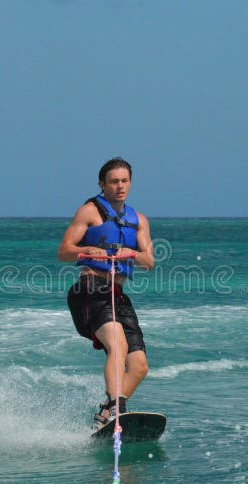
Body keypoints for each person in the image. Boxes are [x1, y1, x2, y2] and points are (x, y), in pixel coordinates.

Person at [58, 157, 155, 429]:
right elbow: (63, 251)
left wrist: (133, 253)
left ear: (131, 183)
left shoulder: (139, 221)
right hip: (90, 288)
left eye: (124, 181)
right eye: (113, 181)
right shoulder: (89, 212)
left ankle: (105, 412)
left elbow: (149, 262)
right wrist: (87, 250)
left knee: (138, 366)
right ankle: (116, 408)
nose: (119, 186)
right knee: (118, 344)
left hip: (117, 293)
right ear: (102, 184)